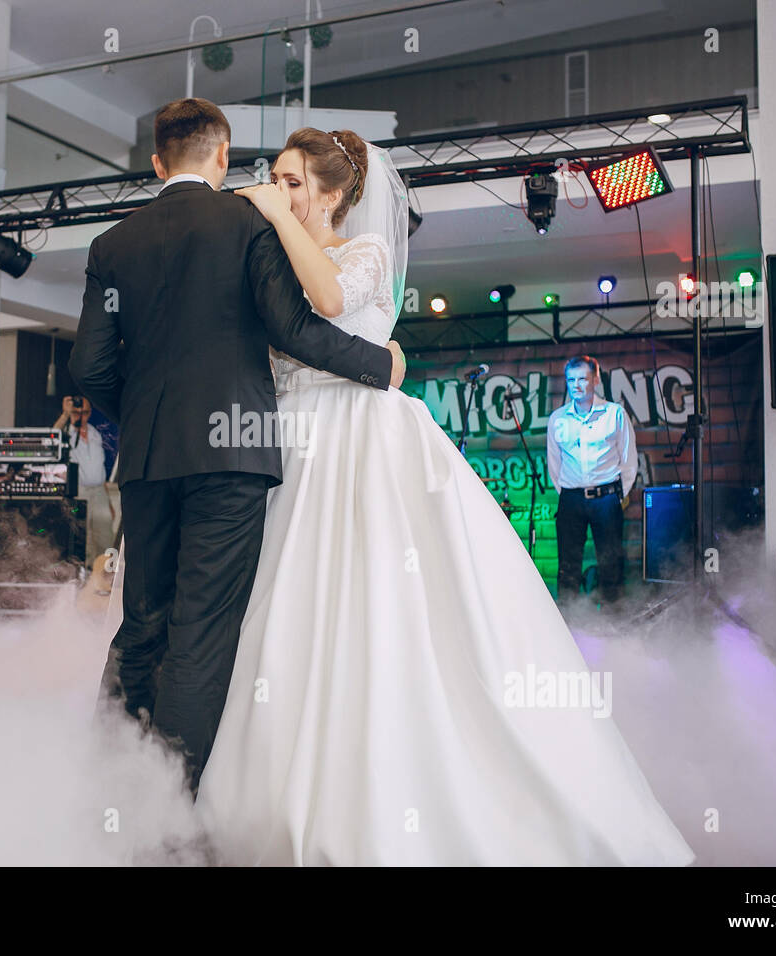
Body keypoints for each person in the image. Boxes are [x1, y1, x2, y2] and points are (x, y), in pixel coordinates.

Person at [177, 126, 693, 864]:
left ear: (331, 194)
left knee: (381, 606)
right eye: (277, 180)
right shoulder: (271, 254)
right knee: (282, 607)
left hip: (358, 434)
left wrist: (278, 220)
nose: (280, 192)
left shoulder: (365, 252)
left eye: (294, 182)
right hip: (284, 438)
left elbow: (325, 298)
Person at [69, 98, 406, 795]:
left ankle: (107, 780)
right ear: (223, 157)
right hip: (234, 454)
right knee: (202, 632)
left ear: (157, 162)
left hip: (149, 457)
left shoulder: (112, 245)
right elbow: (294, 331)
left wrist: (145, 412)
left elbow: (89, 371)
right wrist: (384, 367)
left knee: (143, 621)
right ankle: (166, 808)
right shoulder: (247, 221)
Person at [545, 356, 637, 604]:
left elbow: (628, 462)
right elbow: (554, 464)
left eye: (582, 379)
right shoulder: (558, 419)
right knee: (567, 565)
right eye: (571, 380)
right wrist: (568, 492)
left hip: (606, 497)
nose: (576, 385)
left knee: (611, 563)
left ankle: (612, 623)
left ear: (595, 379)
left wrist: (618, 496)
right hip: (571, 499)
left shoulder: (614, 414)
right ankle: (569, 625)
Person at [53, 395, 112, 564]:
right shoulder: (65, 433)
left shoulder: (95, 433)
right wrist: (65, 415)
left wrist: (106, 499)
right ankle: (81, 575)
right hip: (79, 491)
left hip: (99, 491)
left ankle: (103, 576)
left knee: (104, 535)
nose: (80, 416)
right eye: (76, 413)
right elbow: (51, 437)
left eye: (84, 413)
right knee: (80, 536)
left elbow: (99, 466)